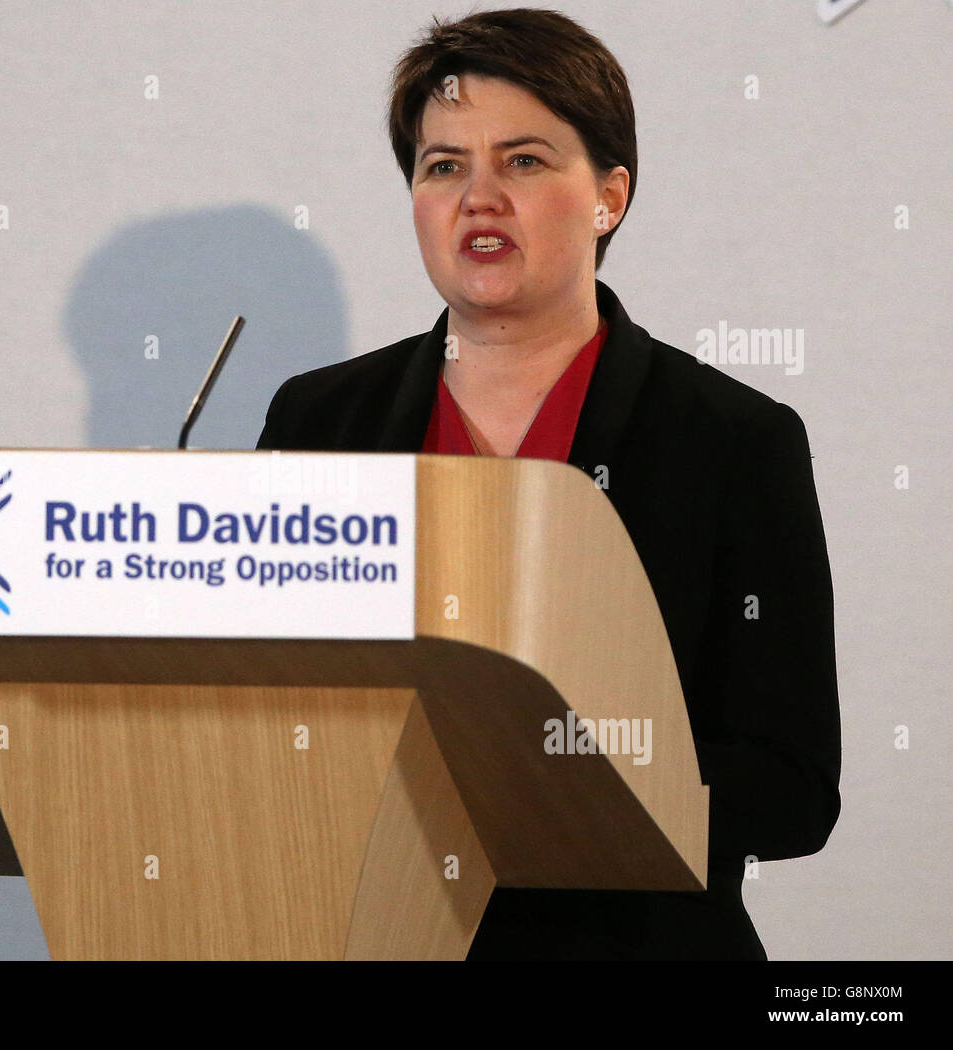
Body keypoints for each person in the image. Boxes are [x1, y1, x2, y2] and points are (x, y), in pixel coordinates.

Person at [255, 8, 841, 960]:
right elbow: (262, 725)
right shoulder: (320, 423)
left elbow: (790, 789)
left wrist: (534, 775)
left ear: (610, 194)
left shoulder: (736, 441)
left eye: (523, 161)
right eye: (443, 166)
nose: (478, 198)